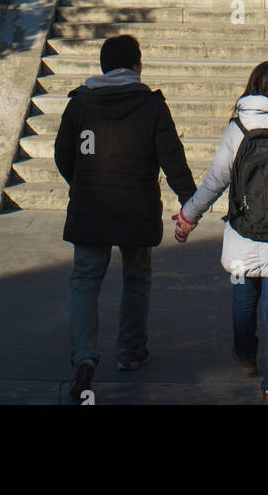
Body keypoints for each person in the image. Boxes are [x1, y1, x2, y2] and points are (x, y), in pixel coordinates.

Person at [54, 33, 196, 400]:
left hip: (91, 208)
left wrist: (81, 183)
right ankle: (130, 352)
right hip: (138, 207)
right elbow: (172, 158)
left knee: (85, 280)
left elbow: (63, 155)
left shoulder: (79, 104)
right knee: (136, 278)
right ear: (136, 66)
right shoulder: (151, 106)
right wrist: (189, 202)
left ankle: (84, 357)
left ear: (103, 66)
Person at [173, 61, 268, 405]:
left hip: (242, 235)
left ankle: (245, 355)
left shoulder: (238, 128)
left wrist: (187, 217)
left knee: (244, 300)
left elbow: (215, 181)